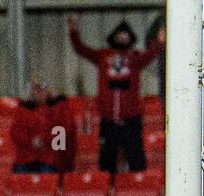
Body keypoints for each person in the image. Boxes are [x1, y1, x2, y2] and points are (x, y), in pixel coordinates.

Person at [69, 17, 163, 173]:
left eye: (125, 36)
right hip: (108, 119)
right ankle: (108, 192)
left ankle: (139, 189)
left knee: (136, 158)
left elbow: (151, 53)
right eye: (119, 35)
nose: (122, 38)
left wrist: (159, 41)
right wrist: (74, 31)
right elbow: (81, 49)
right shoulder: (102, 56)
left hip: (131, 119)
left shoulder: (134, 57)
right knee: (107, 160)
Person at [10, 78, 75, 174]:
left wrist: (43, 140)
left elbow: (61, 134)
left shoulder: (58, 108)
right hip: (26, 156)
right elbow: (16, 133)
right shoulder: (22, 109)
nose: (37, 93)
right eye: (35, 90)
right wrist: (32, 141)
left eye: (40, 90)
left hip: (50, 158)